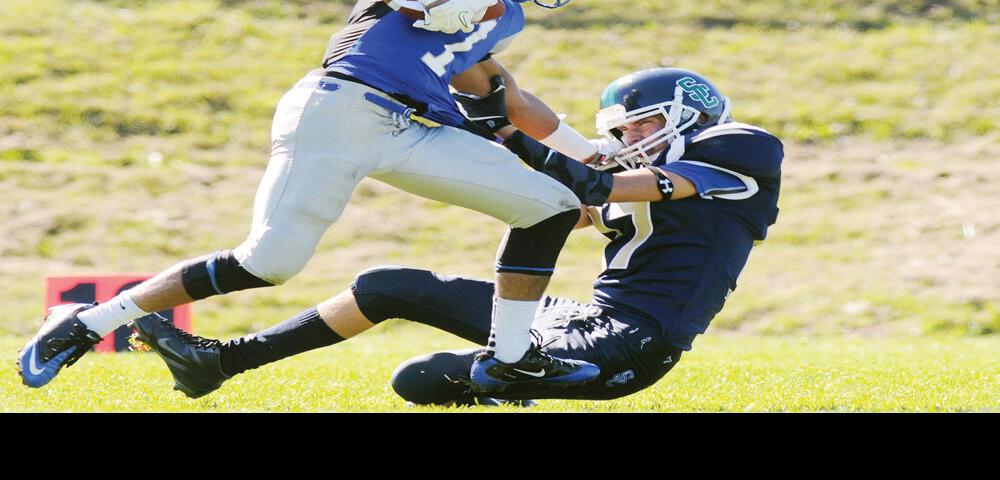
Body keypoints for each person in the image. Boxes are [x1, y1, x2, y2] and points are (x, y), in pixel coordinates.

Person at [16, 0, 611, 392]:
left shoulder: (504, 17)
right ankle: (89, 321)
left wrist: (588, 155)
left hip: (413, 129)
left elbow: (499, 93)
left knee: (551, 204)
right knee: (269, 263)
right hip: (340, 108)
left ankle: (510, 357)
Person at [129, 66, 784, 404]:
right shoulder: (634, 166)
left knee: (424, 380)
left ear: (686, 115)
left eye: (641, 127)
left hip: (631, 344)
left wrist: (504, 135)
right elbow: (545, 131)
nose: (628, 141)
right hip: (581, 319)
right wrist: (473, 101)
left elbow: (602, 189)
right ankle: (218, 362)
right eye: (625, 132)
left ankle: (509, 385)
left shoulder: (742, 148)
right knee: (386, 285)